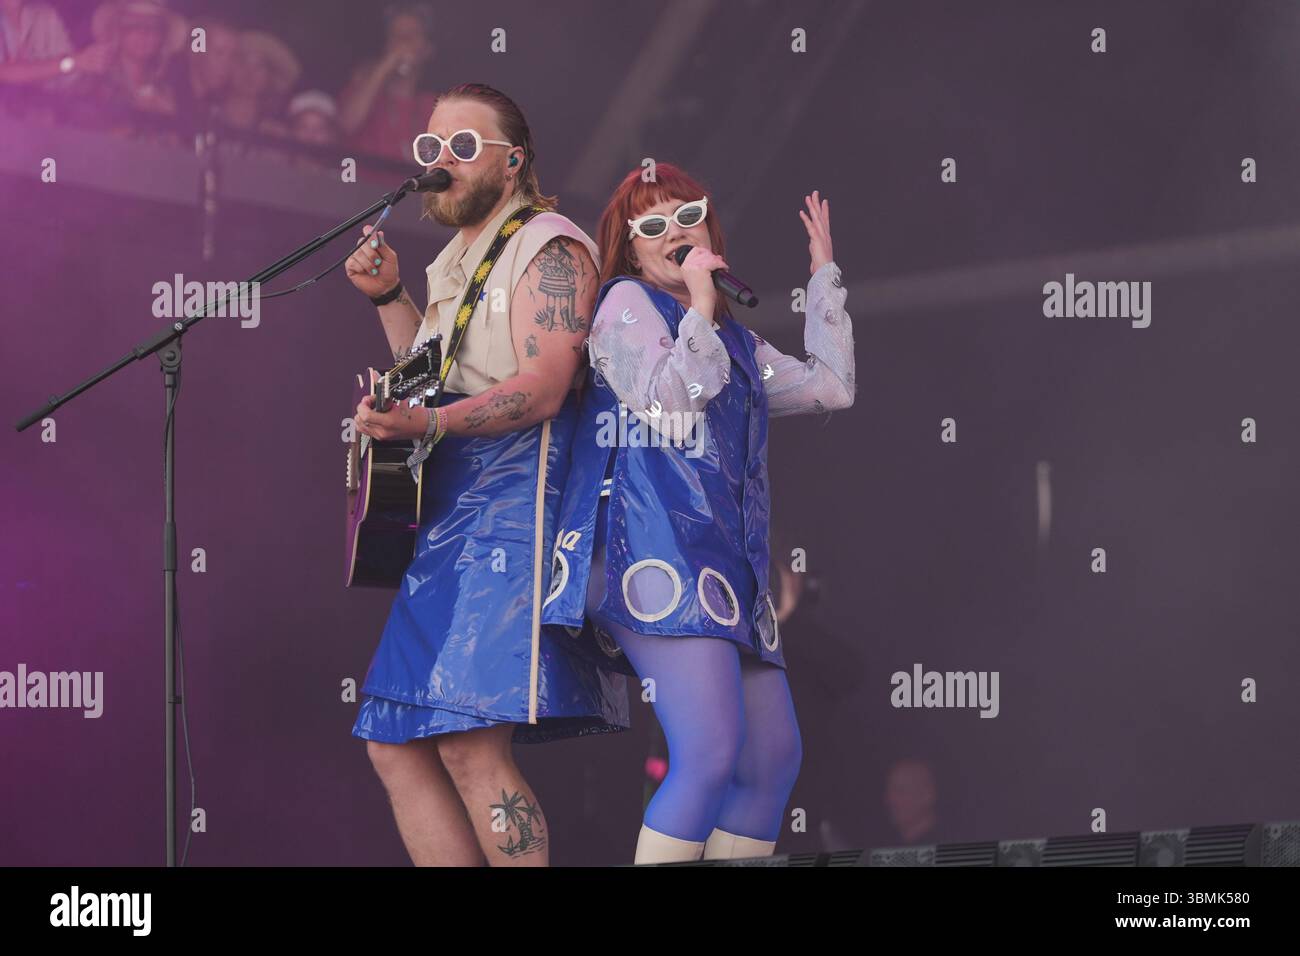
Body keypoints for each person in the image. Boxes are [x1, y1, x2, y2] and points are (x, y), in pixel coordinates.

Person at [345, 83, 627, 867]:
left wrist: (425, 423)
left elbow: (540, 389)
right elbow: (433, 373)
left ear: (514, 165)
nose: (442, 163)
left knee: (472, 748)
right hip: (448, 515)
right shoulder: (451, 259)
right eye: (430, 149)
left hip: (513, 508)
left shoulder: (551, 244)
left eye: (464, 148)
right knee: (396, 745)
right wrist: (390, 297)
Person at [541, 164, 856, 863]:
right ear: (630, 250)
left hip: (726, 573)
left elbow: (830, 389)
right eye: (650, 227)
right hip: (645, 550)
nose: (672, 233)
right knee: (710, 750)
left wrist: (824, 278)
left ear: (710, 227)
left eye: (686, 216)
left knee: (772, 759)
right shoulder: (625, 304)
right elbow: (673, 403)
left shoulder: (737, 345)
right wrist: (703, 301)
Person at [337, 2, 436, 163]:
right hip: (360, 187)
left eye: (412, 35)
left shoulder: (435, 106)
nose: (404, 42)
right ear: (386, 45)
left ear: (428, 49)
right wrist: (384, 67)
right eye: (396, 35)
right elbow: (346, 124)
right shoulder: (363, 91)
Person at [0, 0, 112, 90]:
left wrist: (88, 64)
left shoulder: (44, 14)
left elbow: (70, 76)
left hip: (48, 106)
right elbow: (5, 73)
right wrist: (73, 62)